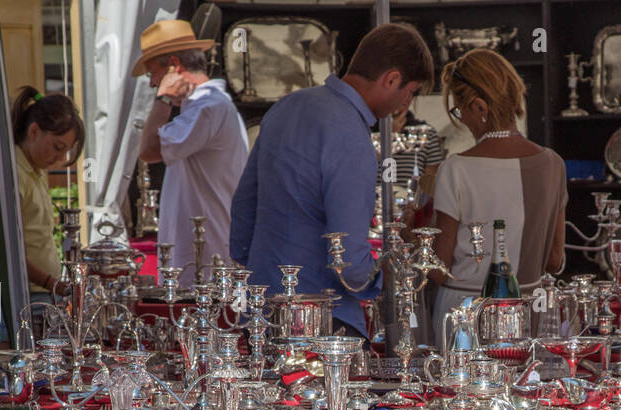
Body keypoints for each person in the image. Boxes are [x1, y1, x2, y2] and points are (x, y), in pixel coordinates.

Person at [231, 23, 434, 336]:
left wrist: (263, 273)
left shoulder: (286, 107)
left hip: (260, 309)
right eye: (411, 93)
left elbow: (244, 208)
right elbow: (350, 264)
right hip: (321, 325)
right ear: (391, 79)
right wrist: (391, 282)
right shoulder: (351, 135)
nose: (406, 104)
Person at [428, 49, 567, 337]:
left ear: (480, 108)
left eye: (459, 110)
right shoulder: (553, 163)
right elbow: (555, 262)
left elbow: (438, 270)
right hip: (531, 311)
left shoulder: (456, 168)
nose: (461, 118)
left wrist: (408, 237)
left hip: (465, 314)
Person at [134, 19, 248, 280]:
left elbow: (149, 150)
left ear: (174, 66)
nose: (153, 83)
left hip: (205, 268)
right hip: (202, 265)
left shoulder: (208, 107)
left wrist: (163, 97)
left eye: (154, 73)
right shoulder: (206, 107)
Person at [0, 86, 84, 348]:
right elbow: (7, 250)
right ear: (34, 131)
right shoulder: (13, 173)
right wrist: (53, 283)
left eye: (66, 151)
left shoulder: (34, 170)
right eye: (58, 147)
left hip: (40, 295)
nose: (60, 158)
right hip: (22, 297)